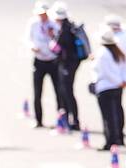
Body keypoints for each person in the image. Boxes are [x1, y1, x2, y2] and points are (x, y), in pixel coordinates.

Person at [92, 30, 126, 151]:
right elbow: (124, 67)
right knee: (118, 112)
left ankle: (110, 141)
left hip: (106, 87)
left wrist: (117, 82)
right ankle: (119, 137)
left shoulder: (102, 53)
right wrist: (122, 81)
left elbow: (105, 72)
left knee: (107, 116)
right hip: (117, 87)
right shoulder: (118, 52)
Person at [27, 2, 61, 128]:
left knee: (59, 91)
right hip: (39, 60)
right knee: (37, 92)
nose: (42, 16)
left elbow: (60, 42)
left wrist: (53, 35)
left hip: (53, 61)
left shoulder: (54, 24)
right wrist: (32, 47)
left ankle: (61, 120)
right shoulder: (33, 24)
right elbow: (28, 38)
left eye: (44, 14)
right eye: (40, 14)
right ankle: (38, 120)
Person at [51, 3, 83, 131]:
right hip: (71, 64)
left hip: (67, 65)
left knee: (67, 92)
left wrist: (52, 39)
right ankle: (71, 118)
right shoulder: (69, 27)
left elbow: (57, 48)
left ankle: (73, 120)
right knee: (67, 91)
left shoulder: (64, 30)